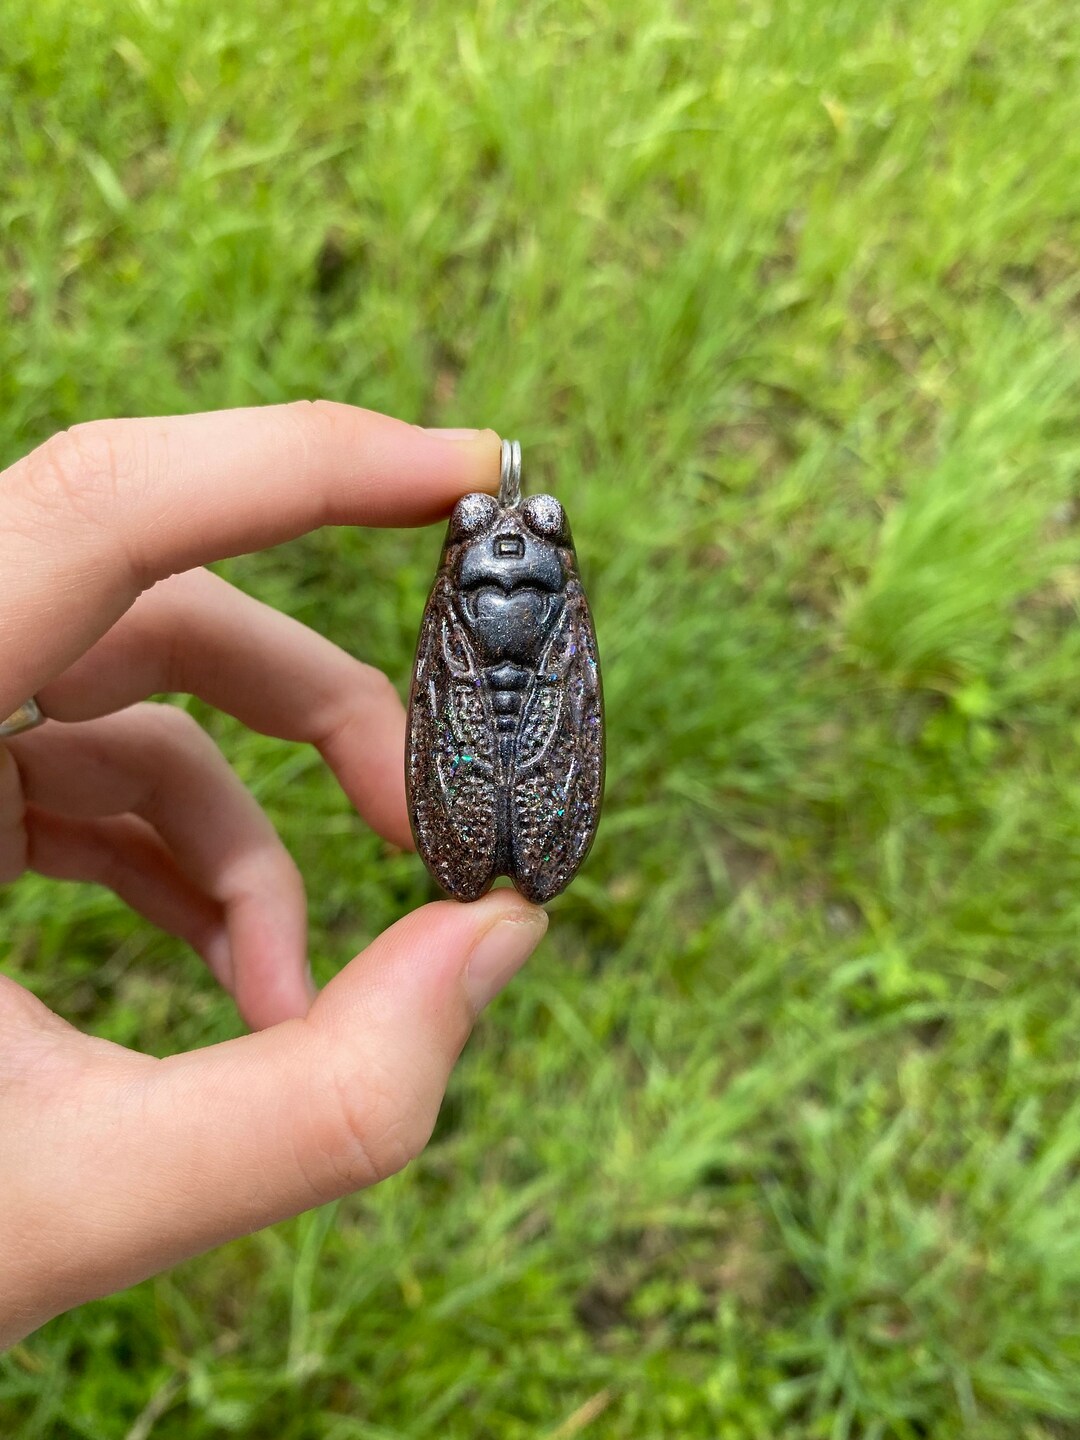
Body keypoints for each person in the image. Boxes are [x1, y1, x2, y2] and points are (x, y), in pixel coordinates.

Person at [0, 402, 549, 1347]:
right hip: (512, 734)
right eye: (483, 544)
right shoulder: (540, 597)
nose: (503, 557)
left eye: (530, 546)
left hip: (528, 747)